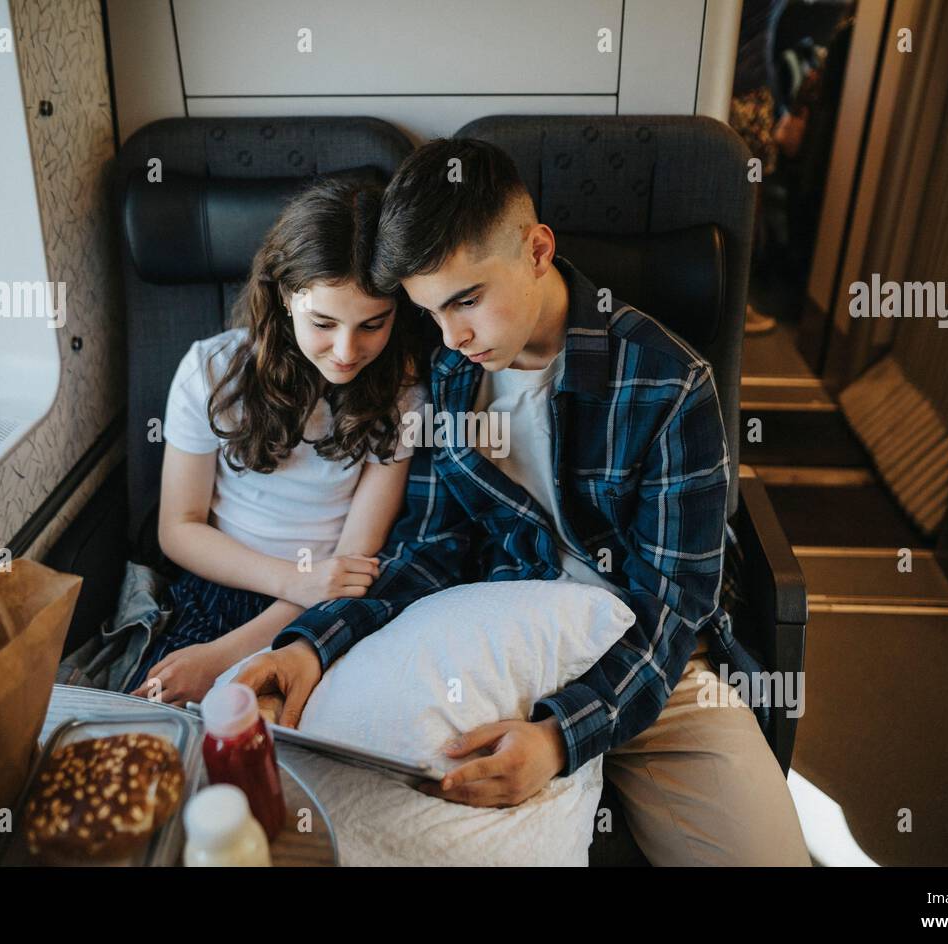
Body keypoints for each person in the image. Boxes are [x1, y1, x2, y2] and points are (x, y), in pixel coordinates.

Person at [234, 139, 810, 865]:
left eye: (467, 301)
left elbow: (672, 609)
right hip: (490, 638)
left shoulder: (668, 385)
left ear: (538, 250)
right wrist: (314, 647)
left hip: (651, 669)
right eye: (431, 312)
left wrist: (558, 737)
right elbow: (437, 550)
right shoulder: (452, 375)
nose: (454, 336)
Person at [127, 176, 426, 705]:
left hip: (328, 604)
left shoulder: (403, 396)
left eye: (372, 324)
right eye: (324, 322)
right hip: (225, 580)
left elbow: (352, 562)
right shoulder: (212, 371)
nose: (345, 350)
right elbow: (178, 528)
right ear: (287, 297)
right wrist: (290, 582)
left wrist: (226, 658)